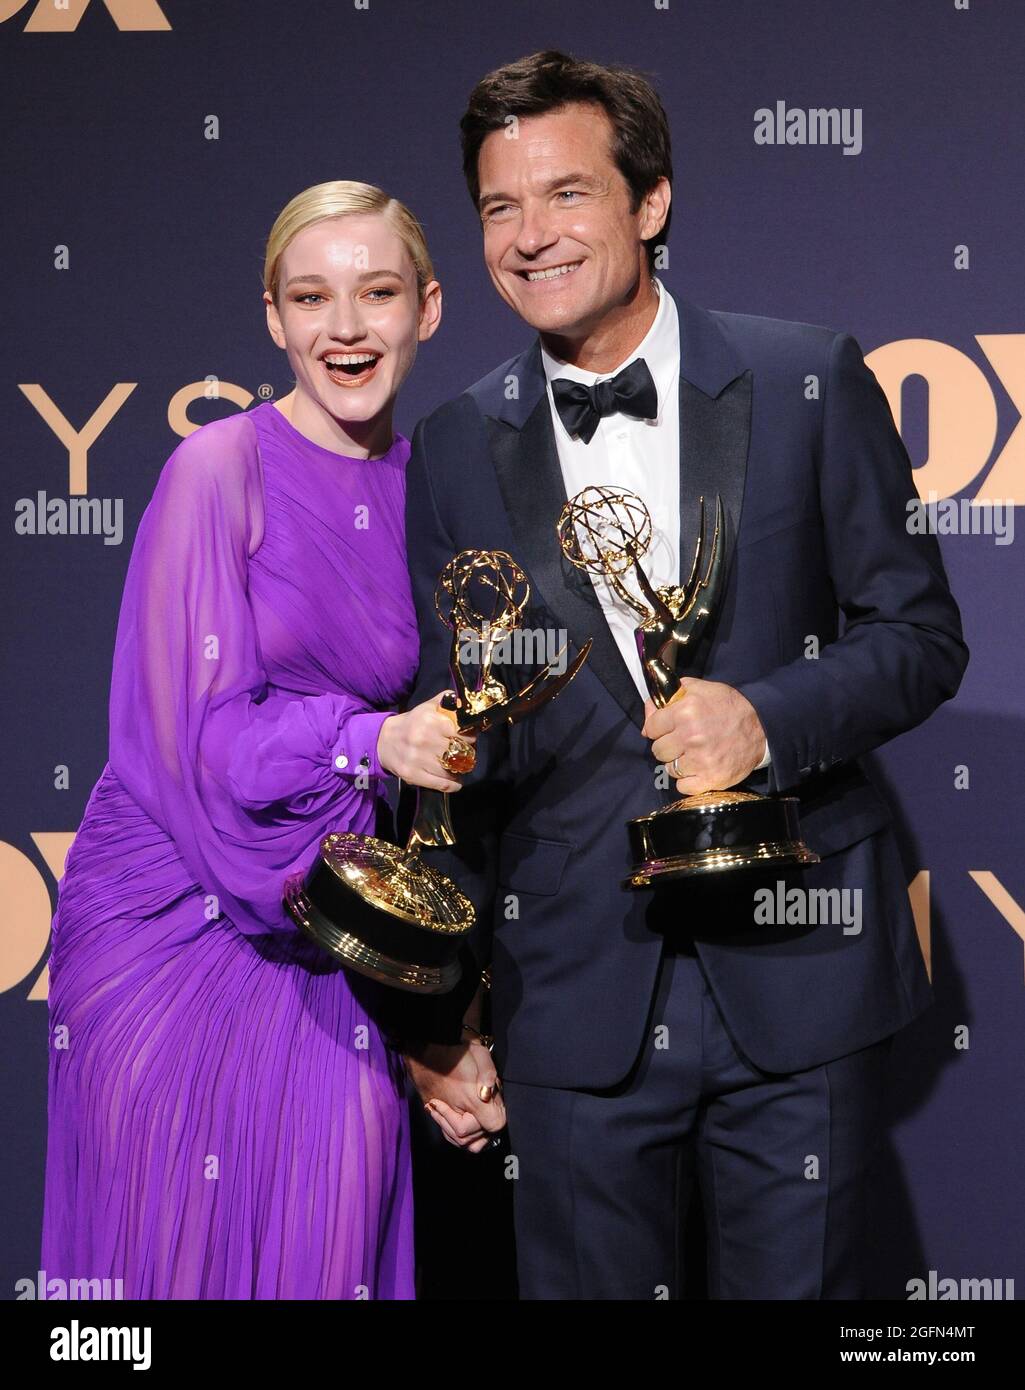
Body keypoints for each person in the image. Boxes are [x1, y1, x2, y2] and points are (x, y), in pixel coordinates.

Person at [393, 52, 969, 1299]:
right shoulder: (448, 445)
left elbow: (918, 636)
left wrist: (763, 717)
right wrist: (435, 1016)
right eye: (499, 208)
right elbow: (463, 744)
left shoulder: (804, 378)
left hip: (795, 978)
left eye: (566, 195)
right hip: (570, 995)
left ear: (649, 202)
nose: (530, 237)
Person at [39, 180, 502, 1299]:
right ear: (272, 318)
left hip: (333, 927)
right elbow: (199, 743)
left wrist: (442, 1004)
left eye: (376, 292)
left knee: (328, 1230)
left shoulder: (434, 489)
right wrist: (368, 738)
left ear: (428, 309)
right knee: (170, 1262)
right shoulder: (218, 469)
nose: (344, 328)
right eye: (311, 298)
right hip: (176, 920)